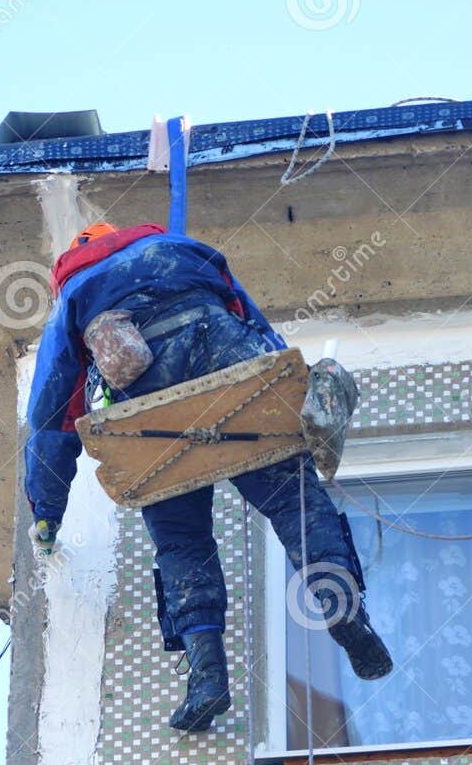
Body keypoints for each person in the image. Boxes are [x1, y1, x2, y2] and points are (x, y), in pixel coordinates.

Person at [24, 220, 393, 731]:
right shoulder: (182, 249)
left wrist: (46, 514)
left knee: (181, 540)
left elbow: (51, 416)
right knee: (294, 500)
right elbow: (253, 322)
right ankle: (342, 605)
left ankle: (207, 678)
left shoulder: (75, 294)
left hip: (146, 395)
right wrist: (290, 397)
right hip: (223, 351)